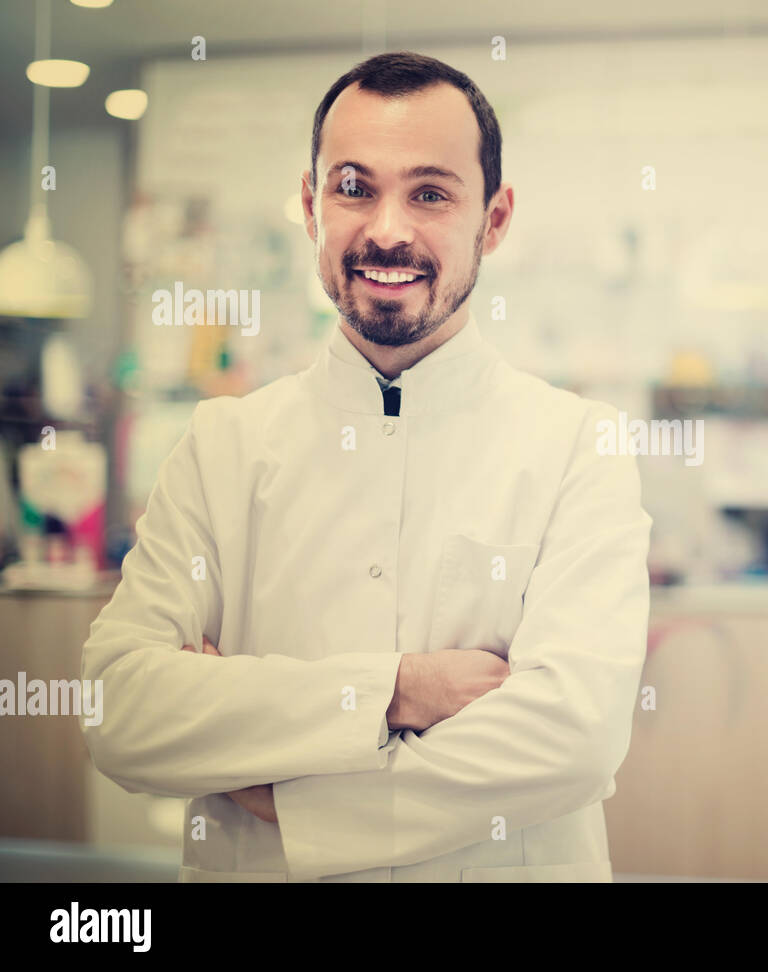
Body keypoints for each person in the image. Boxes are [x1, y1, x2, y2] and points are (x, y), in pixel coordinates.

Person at [80, 51, 652, 882]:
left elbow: (574, 736)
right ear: (311, 208)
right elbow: (119, 708)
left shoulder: (577, 445)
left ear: (493, 220)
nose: (388, 229)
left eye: (431, 192)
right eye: (354, 186)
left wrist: (281, 794)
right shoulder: (221, 447)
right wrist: (397, 690)